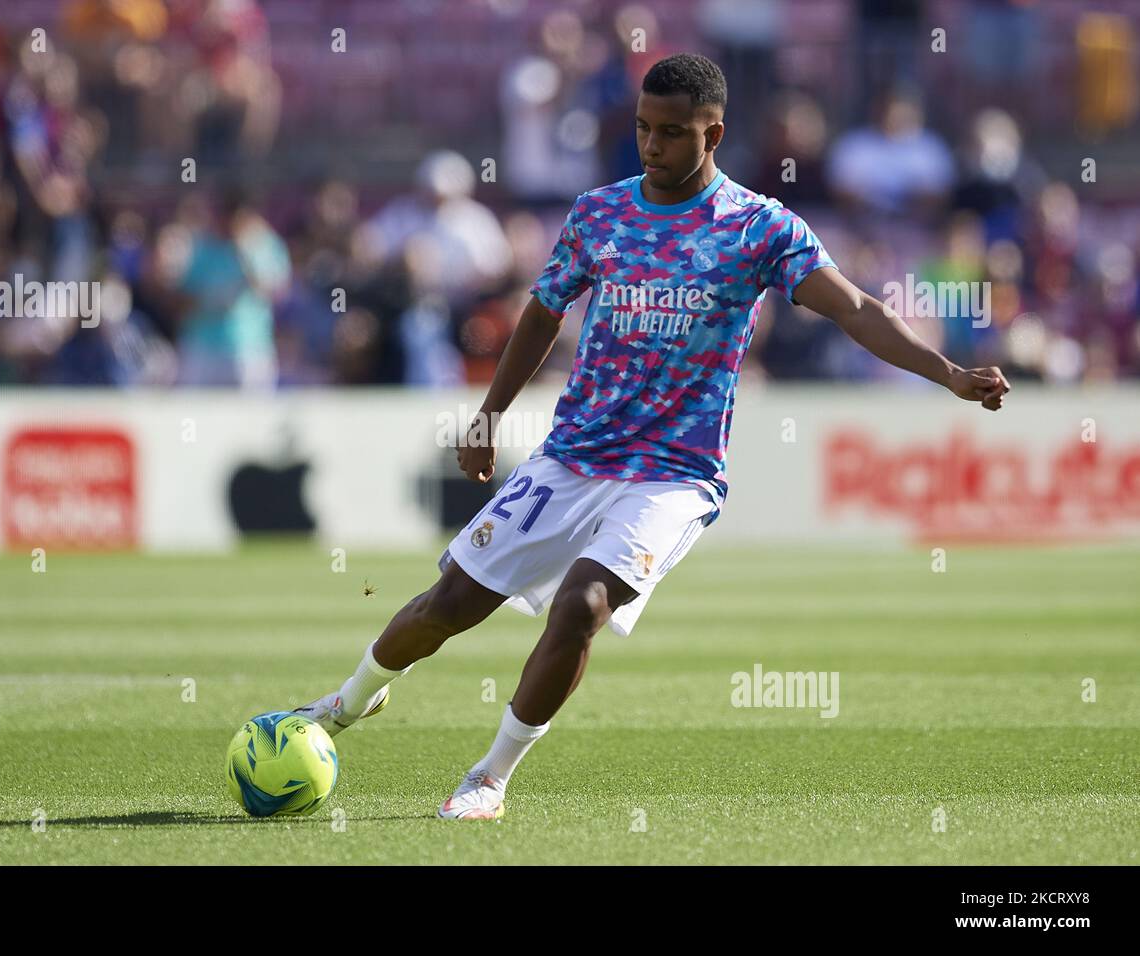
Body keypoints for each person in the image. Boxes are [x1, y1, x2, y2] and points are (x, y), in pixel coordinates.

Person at [292, 53, 1011, 821]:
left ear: (714, 134)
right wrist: (490, 414)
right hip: (574, 454)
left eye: (671, 133)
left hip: (675, 473)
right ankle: (347, 702)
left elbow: (857, 308)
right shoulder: (599, 214)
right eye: (642, 128)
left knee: (583, 604)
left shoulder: (758, 227)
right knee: (452, 602)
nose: (652, 145)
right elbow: (542, 310)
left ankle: (489, 778)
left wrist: (948, 373)